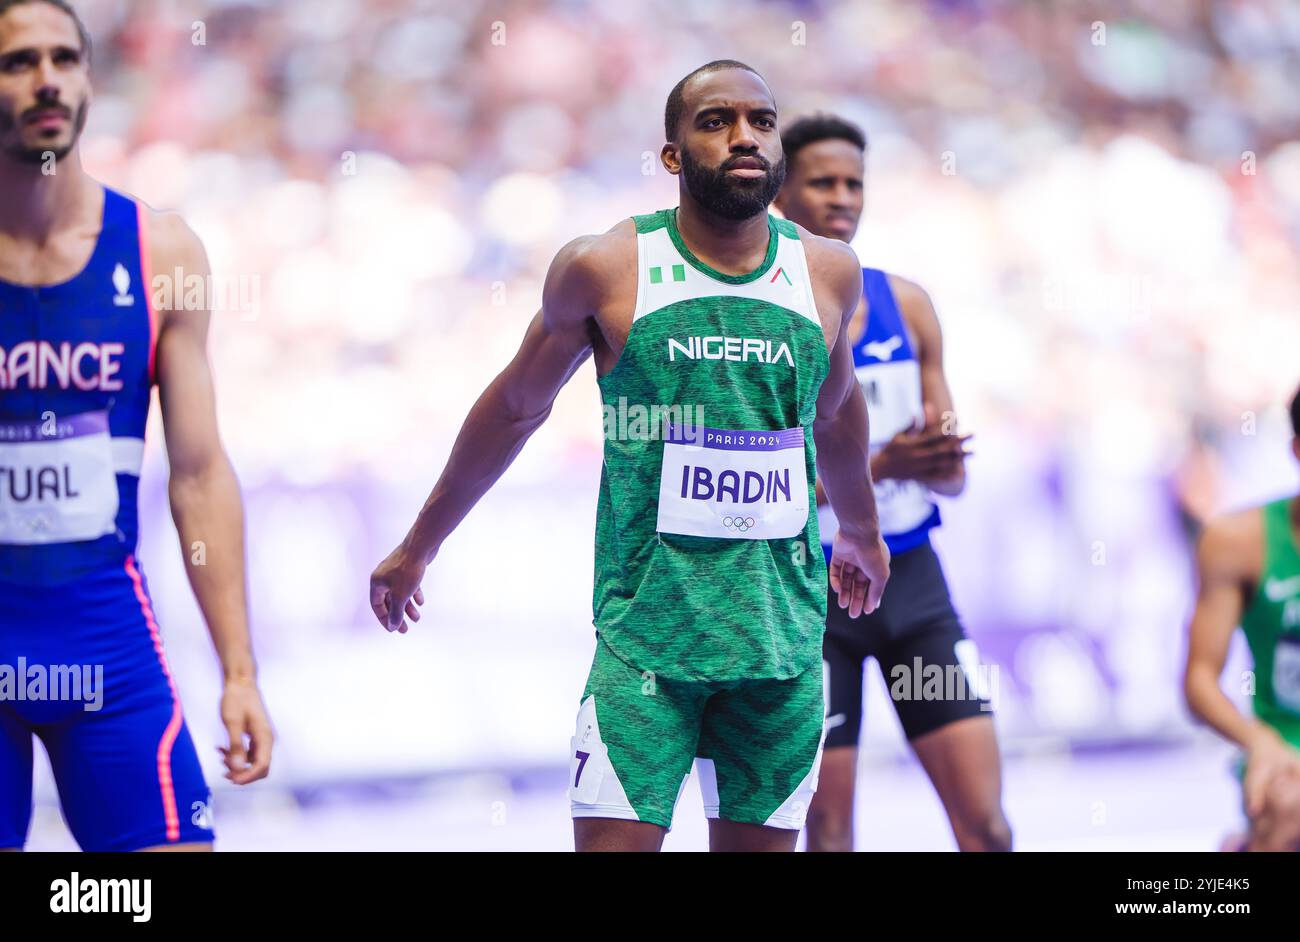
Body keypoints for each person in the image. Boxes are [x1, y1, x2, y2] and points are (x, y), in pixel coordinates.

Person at [370, 60, 890, 852]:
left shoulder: (827, 272)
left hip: (780, 652)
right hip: (646, 652)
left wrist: (860, 527)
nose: (743, 137)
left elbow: (838, 406)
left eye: (760, 120)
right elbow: (515, 408)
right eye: (715, 122)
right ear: (673, 155)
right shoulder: (607, 268)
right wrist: (420, 544)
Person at [0, 0, 273, 852]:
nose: (46, 78)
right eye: (17, 62)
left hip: (106, 646)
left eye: (63, 58)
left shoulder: (163, 254)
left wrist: (238, 670)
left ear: (86, 78)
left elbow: (197, 472)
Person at [774, 113, 1010, 851]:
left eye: (854, 183)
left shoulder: (908, 304)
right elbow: (750, 486)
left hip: (911, 585)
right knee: (831, 831)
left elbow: (951, 477)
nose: (843, 196)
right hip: (809, 599)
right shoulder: (764, 317)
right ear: (781, 193)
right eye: (823, 182)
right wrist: (880, 467)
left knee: (986, 825)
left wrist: (940, 461)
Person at [1185, 385, 1300, 852]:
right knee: (1288, 805)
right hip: (1286, 748)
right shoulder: (1237, 541)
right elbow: (1199, 680)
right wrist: (1259, 742)